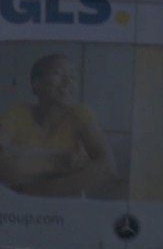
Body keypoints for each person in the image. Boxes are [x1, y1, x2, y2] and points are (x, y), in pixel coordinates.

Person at [0, 53, 120, 197]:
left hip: (58, 204)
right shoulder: (18, 112)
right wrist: (61, 162)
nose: (68, 81)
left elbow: (108, 167)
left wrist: (37, 190)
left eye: (73, 77)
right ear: (36, 84)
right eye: (58, 73)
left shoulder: (79, 114)